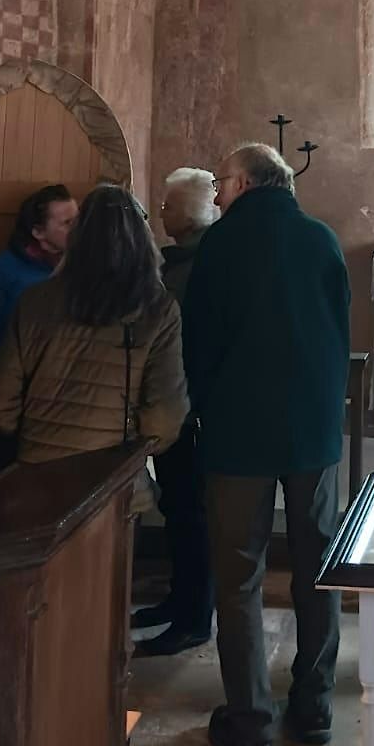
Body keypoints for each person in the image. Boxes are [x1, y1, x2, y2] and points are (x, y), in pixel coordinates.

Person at [182, 143, 351, 746]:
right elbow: (338, 331)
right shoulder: (321, 238)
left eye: (223, 181)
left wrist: (203, 409)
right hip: (312, 433)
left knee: (239, 576)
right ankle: (314, 706)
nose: (218, 193)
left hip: (238, 435)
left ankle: (251, 725)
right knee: (318, 568)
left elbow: (198, 341)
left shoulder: (221, 244)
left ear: (249, 182)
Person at [0, 184, 188, 481]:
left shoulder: (34, 301)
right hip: (113, 483)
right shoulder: (159, 310)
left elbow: (0, 410)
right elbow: (164, 423)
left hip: (36, 479)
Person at [132, 167, 218, 655]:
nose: (161, 213)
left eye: (166, 206)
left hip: (190, 408)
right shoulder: (182, 260)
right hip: (175, 406)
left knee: (191, 513)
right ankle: (179, 598)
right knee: (179, 509)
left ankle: (193, 617)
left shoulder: (200, 266)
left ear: (186, 214)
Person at [0, 184, 78, 394]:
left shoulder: (80, 270)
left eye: (78, 220)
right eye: (67, 223)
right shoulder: (0, 273)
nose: (78, 230)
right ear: (38, 231)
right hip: (11, 387)